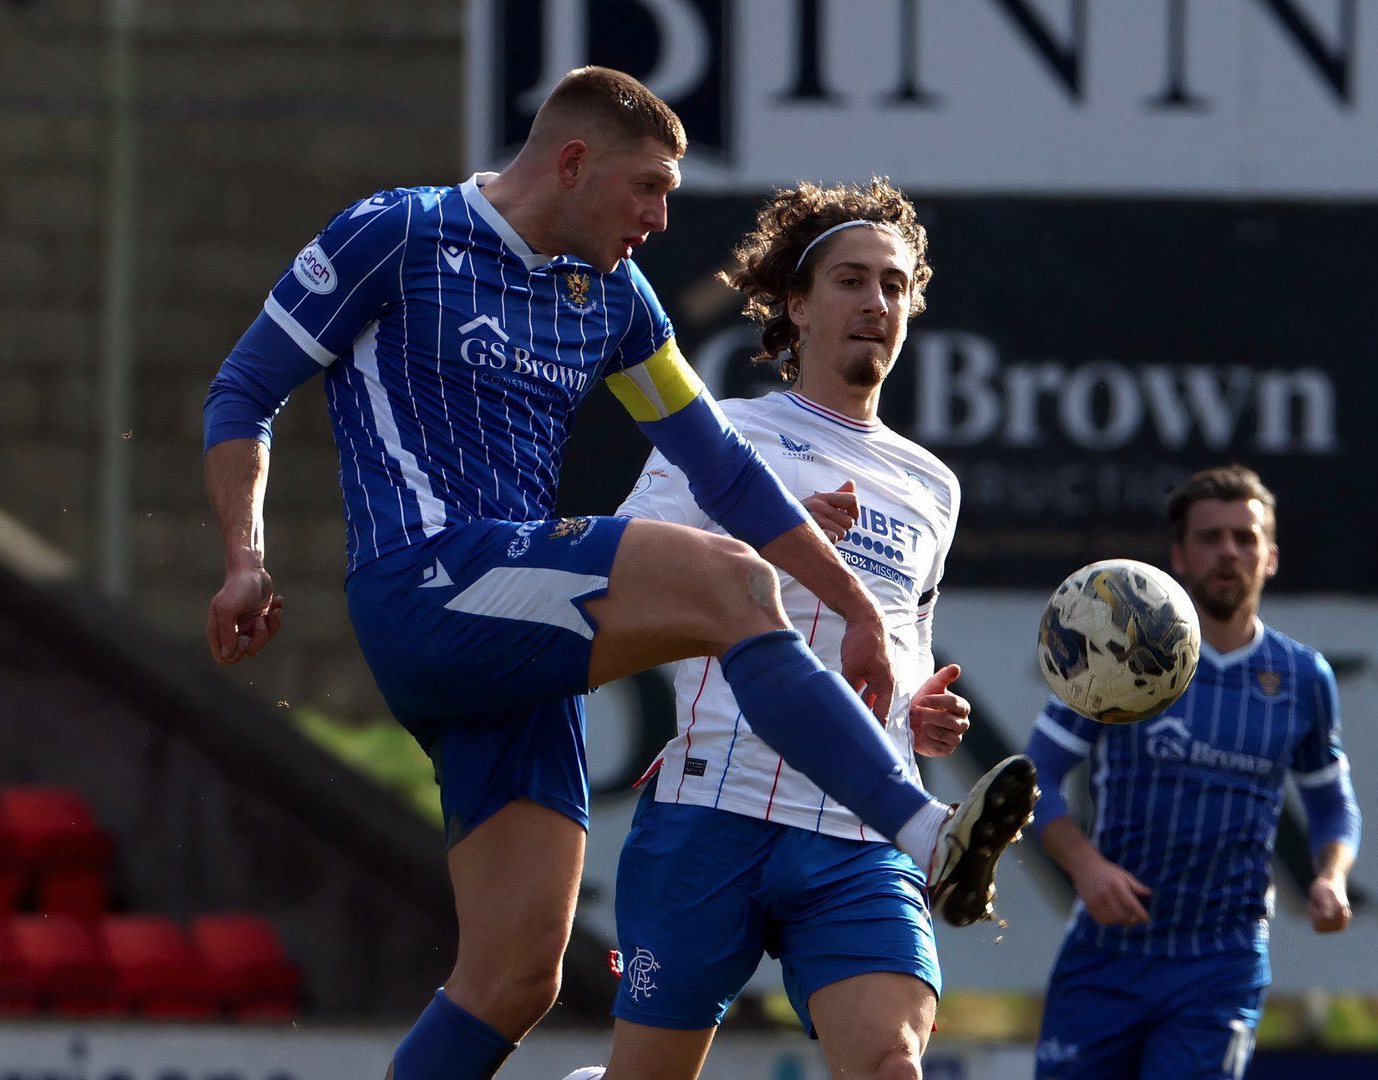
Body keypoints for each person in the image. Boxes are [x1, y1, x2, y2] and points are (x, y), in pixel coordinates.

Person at [200, 67, 1037, 1079]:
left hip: (522, 640)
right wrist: (245, 557)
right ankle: (925, 830)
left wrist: (859, 607)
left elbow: (720, 468)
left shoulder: (615, 298)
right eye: (648, 189)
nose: (659, 215)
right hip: (426, 582)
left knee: (514, 981)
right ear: (572, 162)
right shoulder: (400, 232)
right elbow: (245, 388)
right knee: (730, 584)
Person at [560, 180, 1024, 1080]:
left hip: (858, 829)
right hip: (711, 806)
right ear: (796, 307)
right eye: (851, 281)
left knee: (891, 1067)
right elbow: (623, 572)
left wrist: (921, 713)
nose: (876, 304)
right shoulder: (726, 436)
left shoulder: (933, 484)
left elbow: (903, 636)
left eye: (894, 286)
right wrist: (775, 529)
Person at [1024, 465, 1361, 1079]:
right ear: (1178, 556)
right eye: (1210, 538)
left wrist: (1332, 876)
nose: (1228, 552)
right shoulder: (1116, 655)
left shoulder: (1304, 679)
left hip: (1220, 961)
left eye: (1245, 537)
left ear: (1272, 556)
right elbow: (1035, 778)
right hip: (1107, 954)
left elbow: (1333, 803)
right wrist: (1087, 868)